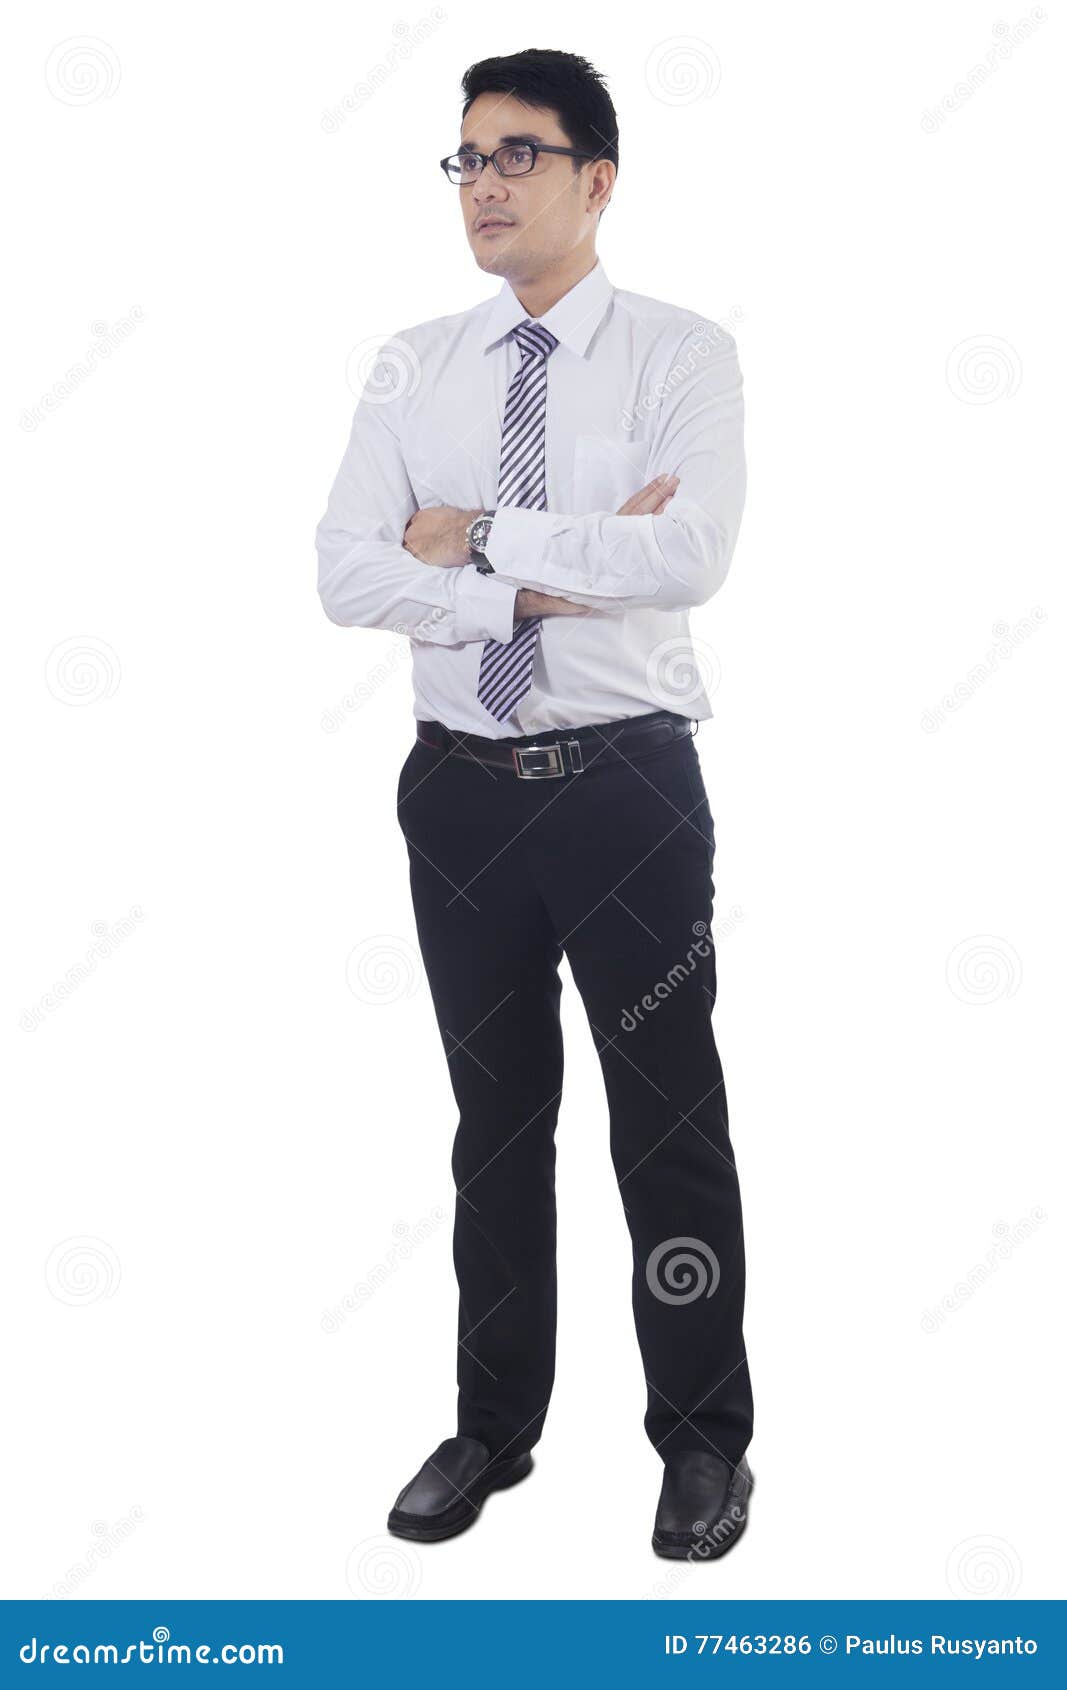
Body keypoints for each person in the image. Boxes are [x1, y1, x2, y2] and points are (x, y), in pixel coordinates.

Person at [315, 47, 754, 1561]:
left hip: (624, 783)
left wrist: (474, 539)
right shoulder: (410, 364)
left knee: (668, 1126)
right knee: (495, 1130)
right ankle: (492, 1426)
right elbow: (345, 569)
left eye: (518, 154)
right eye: (466, 160)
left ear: (597, 178)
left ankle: (703, 1443)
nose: (484, 185)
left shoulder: (683, 354)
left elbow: (688, 556)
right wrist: (554, 578)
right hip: (460, 795)